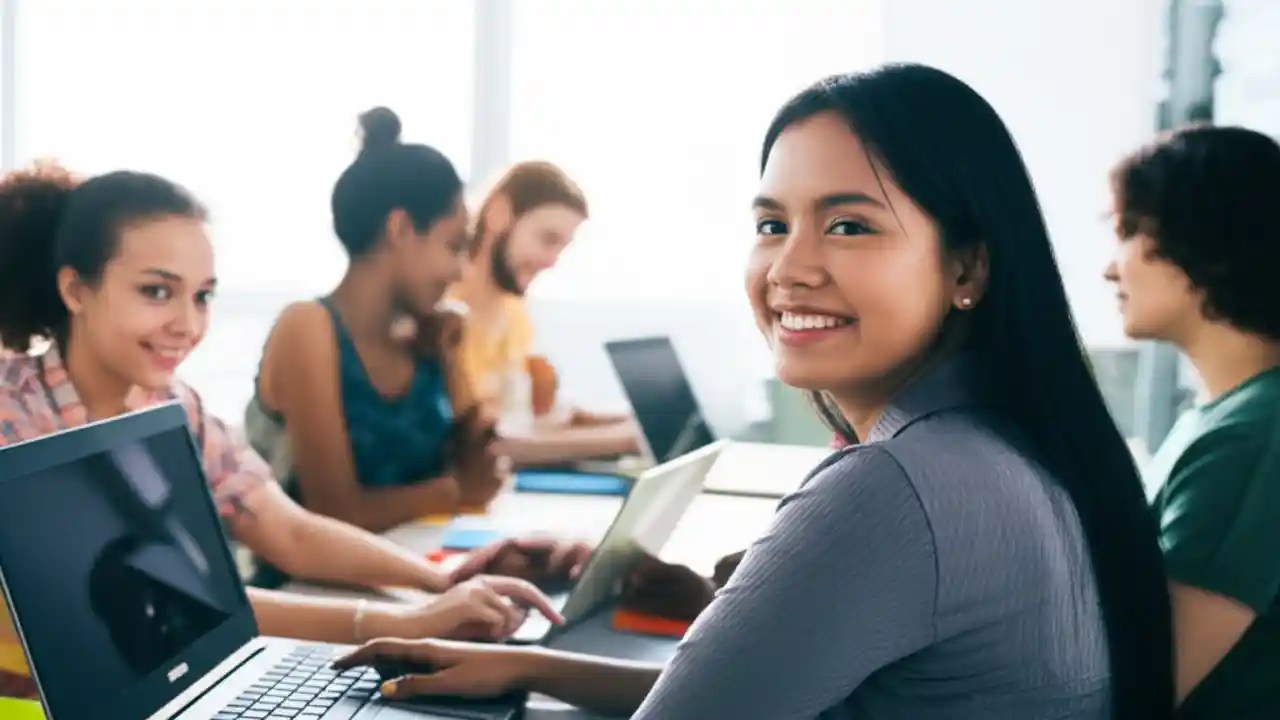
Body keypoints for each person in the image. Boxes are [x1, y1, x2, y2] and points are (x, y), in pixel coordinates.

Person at [334, 64, 1175, 719]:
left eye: (849, 225)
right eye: (773, 224)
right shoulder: (1008, 444)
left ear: (967, 265)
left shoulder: (893, 488)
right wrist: (528, 663)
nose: (788, 268)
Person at [0, 163, 561, 704]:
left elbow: (287, 529)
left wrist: (443, 582)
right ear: (75, 290)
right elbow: (195, 611)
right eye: (156, 292)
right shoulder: (12, 416)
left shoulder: (172, 405)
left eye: (202, 296)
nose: (188, 325)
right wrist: (403, 620)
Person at [246, 107, 501, 535]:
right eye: (452, 245)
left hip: (411, 573)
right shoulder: (307, 327)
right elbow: (334, 511)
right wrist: (453, 491)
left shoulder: (422, 337)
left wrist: (451, 362)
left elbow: (484, 468)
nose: (460, 272)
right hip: (309, 591)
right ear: (399, 228)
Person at [1105, 125, 1280, 718]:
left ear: (1202, 240)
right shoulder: (1223, 419)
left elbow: (1145, 686)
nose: (1111, 269)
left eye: (1128, 231)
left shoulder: (1255, 437)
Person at [448, 161, 641, 464]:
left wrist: (629, 421)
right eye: (547, 239)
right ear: (498, 214)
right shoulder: (444, 311)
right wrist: (625, 439)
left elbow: (525, 420)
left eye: (561, 247)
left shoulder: (513, 313)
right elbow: (482, 442)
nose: (552, 261)